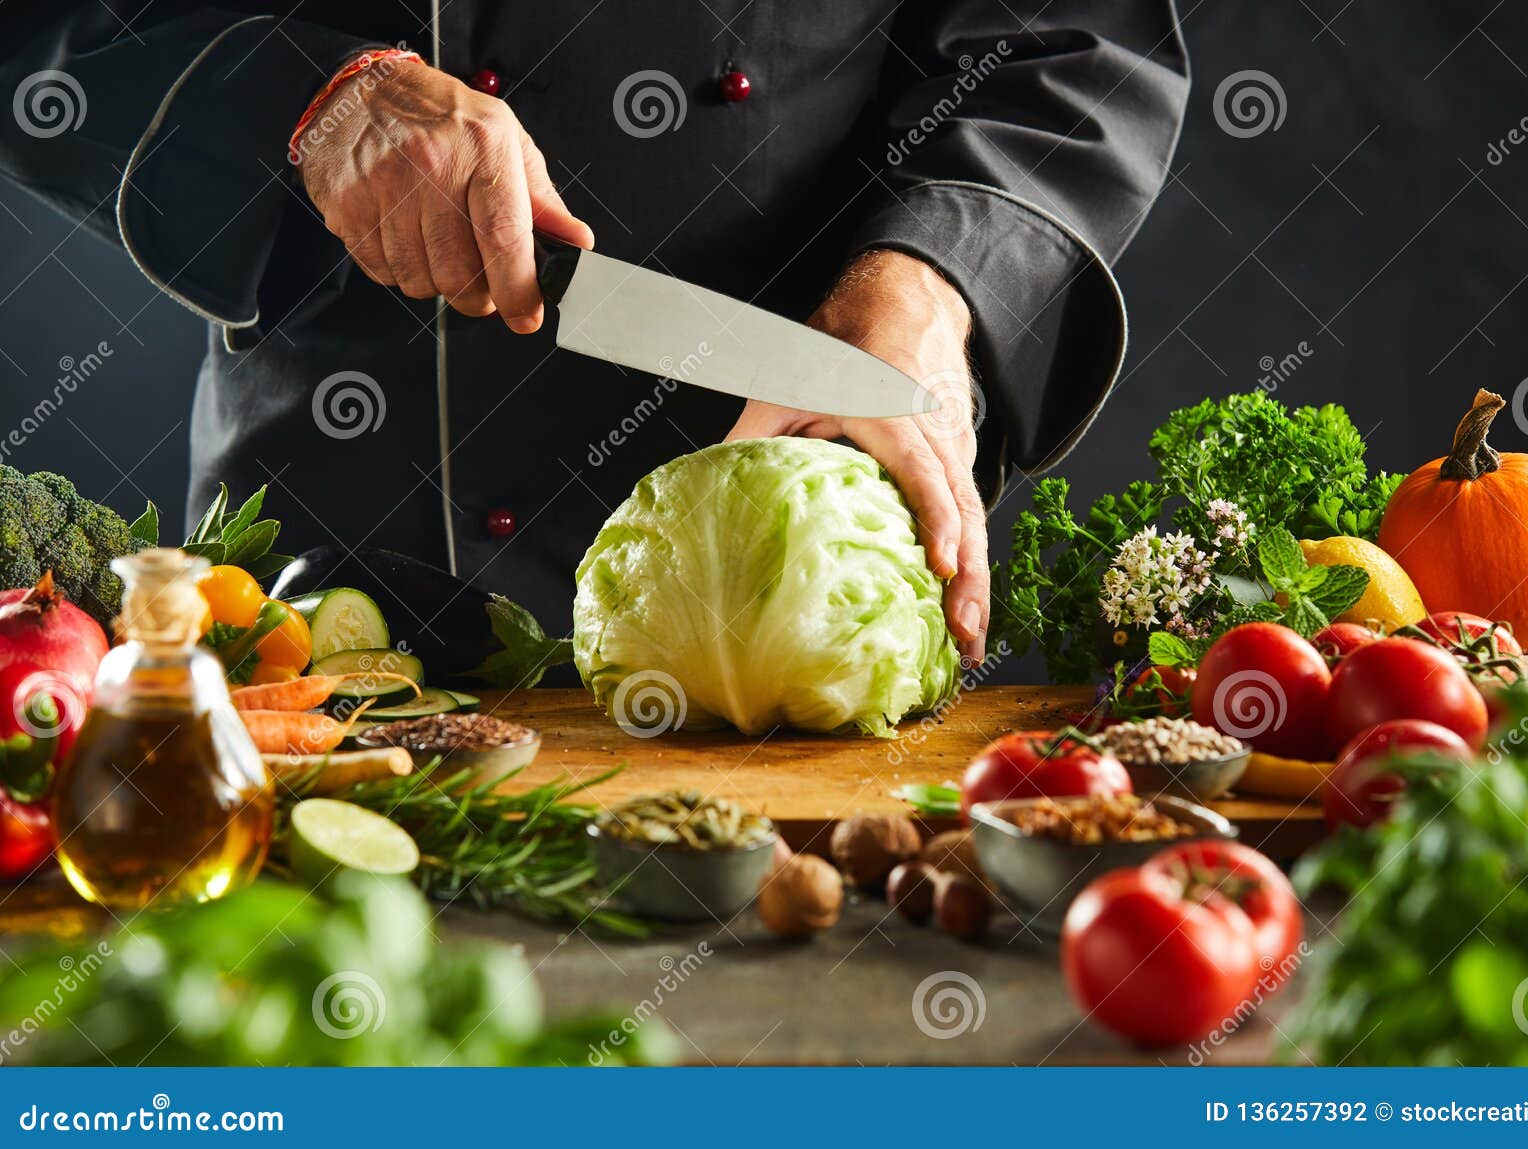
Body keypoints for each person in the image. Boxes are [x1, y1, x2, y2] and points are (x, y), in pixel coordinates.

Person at [0, 3, 1189, 665]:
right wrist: (305, 97)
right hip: (334, 562)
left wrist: (933, 278)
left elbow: (1068, 37)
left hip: (792, 582)